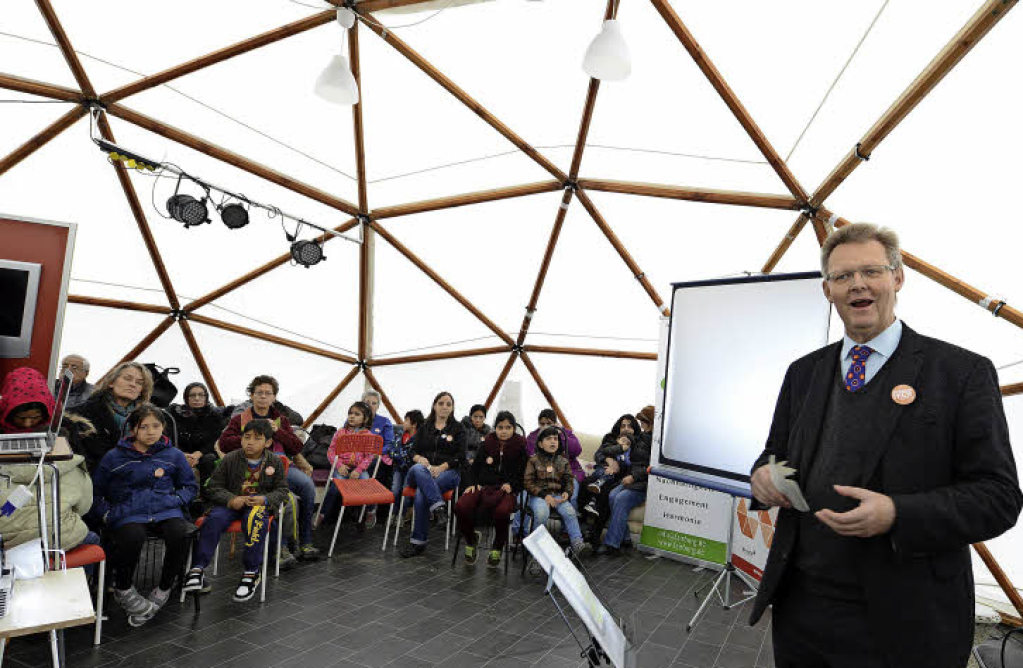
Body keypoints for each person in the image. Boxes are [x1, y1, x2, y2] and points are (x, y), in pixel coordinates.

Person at [748, 223, 1023, 668]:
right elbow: (773, 455)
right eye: (843, 276)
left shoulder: (960, 373)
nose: (858, 284)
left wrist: (898, 514)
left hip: (905, 623)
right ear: (828, 290)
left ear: (897, 277)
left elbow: (999, 497)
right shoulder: (803, 373)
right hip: (803, 611)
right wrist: (762, 477)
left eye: (871, 271)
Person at [92, 404, 198, 626]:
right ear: (133, 430)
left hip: (165, 509)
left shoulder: (174, 455)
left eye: (156, 426)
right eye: (144, 427)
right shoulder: (114, 457)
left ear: (163, 428)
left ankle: (164, 587)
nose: (151, 432)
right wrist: (106, 515)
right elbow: (96, 491)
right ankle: (123, 587)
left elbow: (189, 486)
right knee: (131, 536)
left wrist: (177, 501)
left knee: (179, 532)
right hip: (129, 511)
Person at [183, 418, 289, 602]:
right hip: (230, 504)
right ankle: (197, 569)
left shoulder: (275, 462)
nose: (250, 442)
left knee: (255, 521)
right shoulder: (230, 458)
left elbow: (282, 490)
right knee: (213, 520)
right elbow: (213, 487)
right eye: (246, 437)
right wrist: (232, 499)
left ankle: (251, 572)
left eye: (257, 438)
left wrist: (264, 499)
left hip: (257, 507)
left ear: (268, 442)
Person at [219, 375, 320, 562]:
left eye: (268, 393)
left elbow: (296, 447)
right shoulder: (240, 419)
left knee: (307, 486)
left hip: (280, 466)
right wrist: (250, 436)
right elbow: (224, 444)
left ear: (274, 397)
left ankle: (305, 540)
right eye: (259, 393)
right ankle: (281, 546)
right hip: (249, 469)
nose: (263, 397)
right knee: (286, 499)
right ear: (252, 395)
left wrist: (277, 432)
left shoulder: (280, 419)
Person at [454, 411, 525, 567]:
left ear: (514, 428)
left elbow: (523, 474)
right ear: (495, 428)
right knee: (461, 506)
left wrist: (512, 485)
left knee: (502, 512)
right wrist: (472, 483)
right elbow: (474, 468)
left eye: (508, 427)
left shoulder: (520, 445)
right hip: (483, 486)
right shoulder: (487, 442)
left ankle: (497, 547)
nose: (504, 431)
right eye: (500, 427)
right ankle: (471, 540)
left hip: (507, 489)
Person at [399, 391, 465, 558]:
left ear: (452, 408)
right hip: (423, 470)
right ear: (434, 406)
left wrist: (442, 467)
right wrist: (419, 458)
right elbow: (412, 451)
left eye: (448, 404)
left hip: (448, 472)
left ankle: (418, 543)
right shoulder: (424, 427)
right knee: (417, 469)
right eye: (441, 403)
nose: (444, 407)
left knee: (422, 494)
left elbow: (461, 456)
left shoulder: (458, 429)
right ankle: (439, 507)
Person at [71, 361, 154, 473]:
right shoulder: (82, 413)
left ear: (141, 391)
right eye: (127, 378)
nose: (133, 384)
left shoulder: (150, 418)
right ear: (111, 382)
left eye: (139, 383)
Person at [316, 401, 385, 529]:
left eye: (357, 414)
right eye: (350, 413)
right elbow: (331, 452)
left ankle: (371, 510)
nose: (352, 416)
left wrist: (359, 470)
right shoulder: (341, 432)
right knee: (335, 487)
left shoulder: (369, 436)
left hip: (359, 468)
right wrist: (339, 465)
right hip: (342, 467)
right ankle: (322, 514)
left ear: (366, 418)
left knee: (366, 482)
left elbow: (369, 456)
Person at [523, 426, 589, 557]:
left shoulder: (563, 461)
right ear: (541, 444)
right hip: (539, 496)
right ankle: (537, 549)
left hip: (558, 496)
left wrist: (567, 493)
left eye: (555, 439)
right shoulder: (533, 460)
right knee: (542, 513)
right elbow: (528, 482)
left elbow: (569, 479)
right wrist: (544, 495)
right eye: (548, 439)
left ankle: (577, 543)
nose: (553, 441)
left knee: (570, 512)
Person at [593, 432, 649, 557]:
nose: (627, 429)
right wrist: (611, 456)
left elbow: (649, 467)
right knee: (612, 495)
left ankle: (612, 544)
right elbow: (601, 452)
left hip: (641, 482)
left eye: (644, 421)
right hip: (627, 480)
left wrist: (634, 476)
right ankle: (626, 537)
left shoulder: (649, 442)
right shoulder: (636, 439)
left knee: (621, 498)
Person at [168, 382, 230, 483]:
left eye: (201, 395)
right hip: (181, 452)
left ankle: (207, 493)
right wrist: (183, 454)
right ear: (186, 397)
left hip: (205, 453)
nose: (197, 398)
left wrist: (199, 454)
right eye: (192, 395)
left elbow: (215, 439)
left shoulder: (215, 415)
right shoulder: (176, 414)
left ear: (206, 397)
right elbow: (170, 437)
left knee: (209, 458)